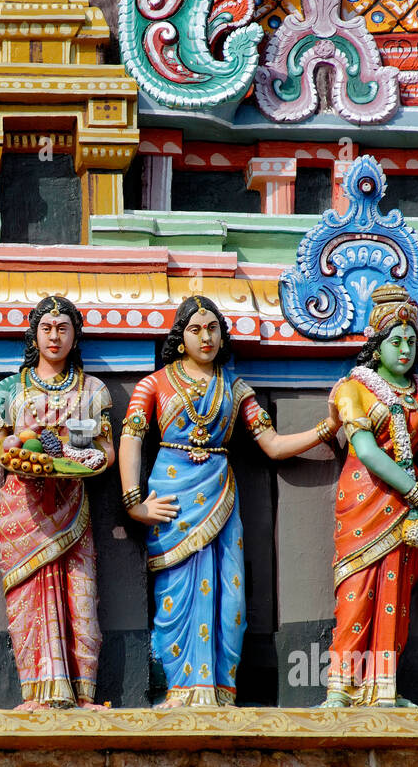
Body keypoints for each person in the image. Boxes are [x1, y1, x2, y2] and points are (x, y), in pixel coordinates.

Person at [119, 295, 339, 708]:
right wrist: (134, 502)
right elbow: (130, 436)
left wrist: (326, 428)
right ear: (180, 338)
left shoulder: (236, 390)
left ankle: (220, 689)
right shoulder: (155, 384)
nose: (206, 337)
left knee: (230, 595)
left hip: (220, 496)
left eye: (212, 328)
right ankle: (183, 687)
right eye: (195, 329)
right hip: (172, 498)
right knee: (177, 592)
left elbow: (271, 444)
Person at [323, 285, 418, 707]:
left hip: (410, 514)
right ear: (376, 345)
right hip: (365, 502)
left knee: (396, 594)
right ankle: (340, 688)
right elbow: (365, 450)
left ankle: (383, 687)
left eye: (411, 341)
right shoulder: (353, 388)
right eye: (395, 341)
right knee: (357, 590)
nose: (404, 350)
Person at [0, 296, 112, 711]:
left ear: (75, 336)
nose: (54, 336)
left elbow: (106, 451)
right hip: (22, 508)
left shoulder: (93, 390)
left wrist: (79, 459)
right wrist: (17, 447)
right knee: (28, 597)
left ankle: (83, 693)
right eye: (47, 327)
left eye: (63, 327)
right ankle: (37, 691)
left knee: (81, 593)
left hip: (73, 504)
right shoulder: (11, 387)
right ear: (34, 334)